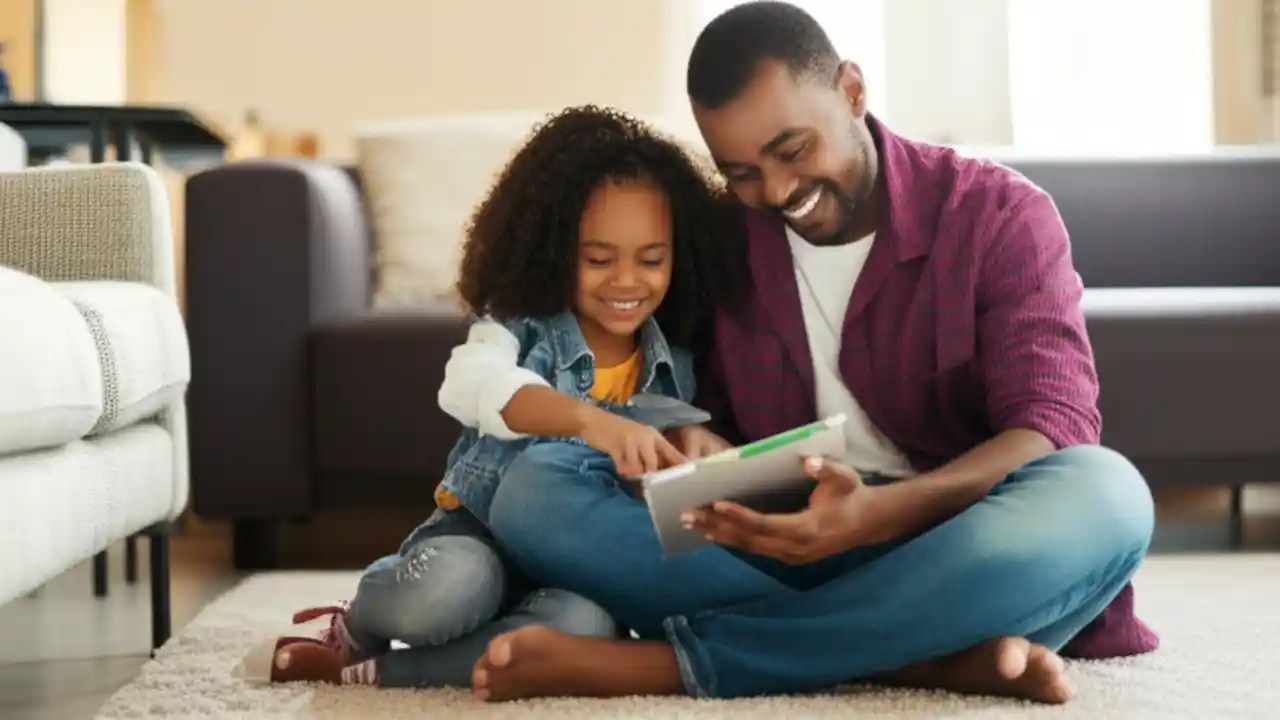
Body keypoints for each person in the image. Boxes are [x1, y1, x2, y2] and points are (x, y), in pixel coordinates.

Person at [457, 1, 1159, 706]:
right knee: (535, 486)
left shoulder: (999, 217)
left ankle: (676, 665)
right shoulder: (728, 239)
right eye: (742, 173)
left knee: (1108, 493)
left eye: (792, 151)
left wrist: (880, 515)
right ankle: (920, 660)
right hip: (781, 548)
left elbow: (1052, 430)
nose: (779, 192)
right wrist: (696, 437)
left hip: (956, 544)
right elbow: (699, 403)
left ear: (852, 91)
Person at [253, 104, 747, 689]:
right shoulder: (519, 327)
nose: (625, 281)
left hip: (571, 570)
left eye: (651, 260)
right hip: (476, 538)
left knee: (585, 630)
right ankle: (353, 624)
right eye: (597, 259)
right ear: (552, 248)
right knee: (445, 592)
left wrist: (693, 442)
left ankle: (370, 674)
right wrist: (588, 421)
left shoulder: (679, 363)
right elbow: (469, 383)